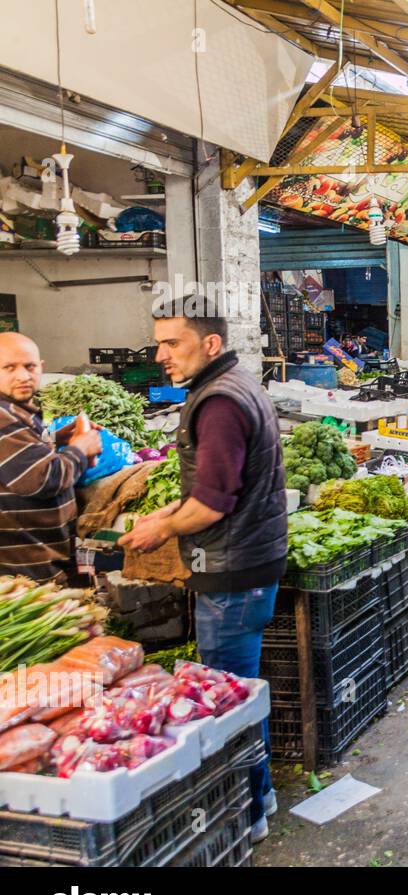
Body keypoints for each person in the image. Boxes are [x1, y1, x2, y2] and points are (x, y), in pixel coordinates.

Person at [118, 295, 288, 844]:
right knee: (239, 687)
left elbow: (212, 505)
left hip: (233, 571)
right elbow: (213, 488)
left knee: (227, 697)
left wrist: (159, 530)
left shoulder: (218, 403)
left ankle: (251, 810)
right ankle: (260, 791)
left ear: (210, 343)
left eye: (173, 343)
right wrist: (169, 511)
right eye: (159, 341)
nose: (161, 354)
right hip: (245, 558)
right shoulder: (232, 385)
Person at [0, 333, 102, 580]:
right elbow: (44, 479)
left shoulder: (16, 411)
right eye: (9, 368)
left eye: (30, 366)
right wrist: (80, 448)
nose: (23, 376)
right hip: (25, 569)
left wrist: (55, 439)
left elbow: (17, 460)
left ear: (41, 367)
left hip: (41, 554)